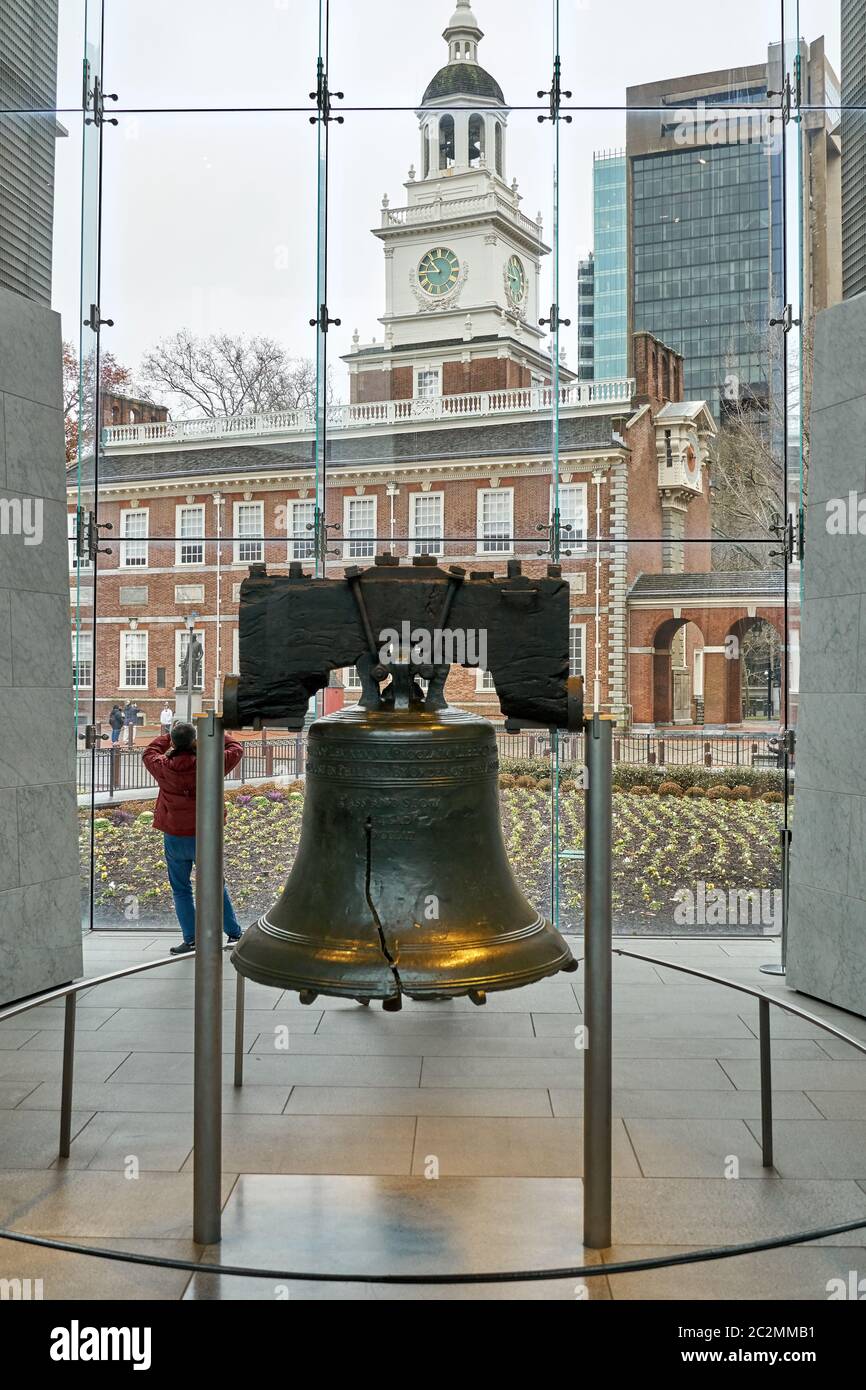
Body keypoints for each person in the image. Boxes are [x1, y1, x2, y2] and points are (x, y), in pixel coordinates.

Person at [143, 722, 244, 954]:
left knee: (181, 889)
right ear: (195, 742)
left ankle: (191, 939)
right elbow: (236, 749)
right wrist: (219, 732)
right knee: (216, 886)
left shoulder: (163, 767)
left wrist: (169, 737)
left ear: (175, 743)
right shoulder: (210, 764)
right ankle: (234, 934)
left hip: (175, 835)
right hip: (205, 834)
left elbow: (149, 752)